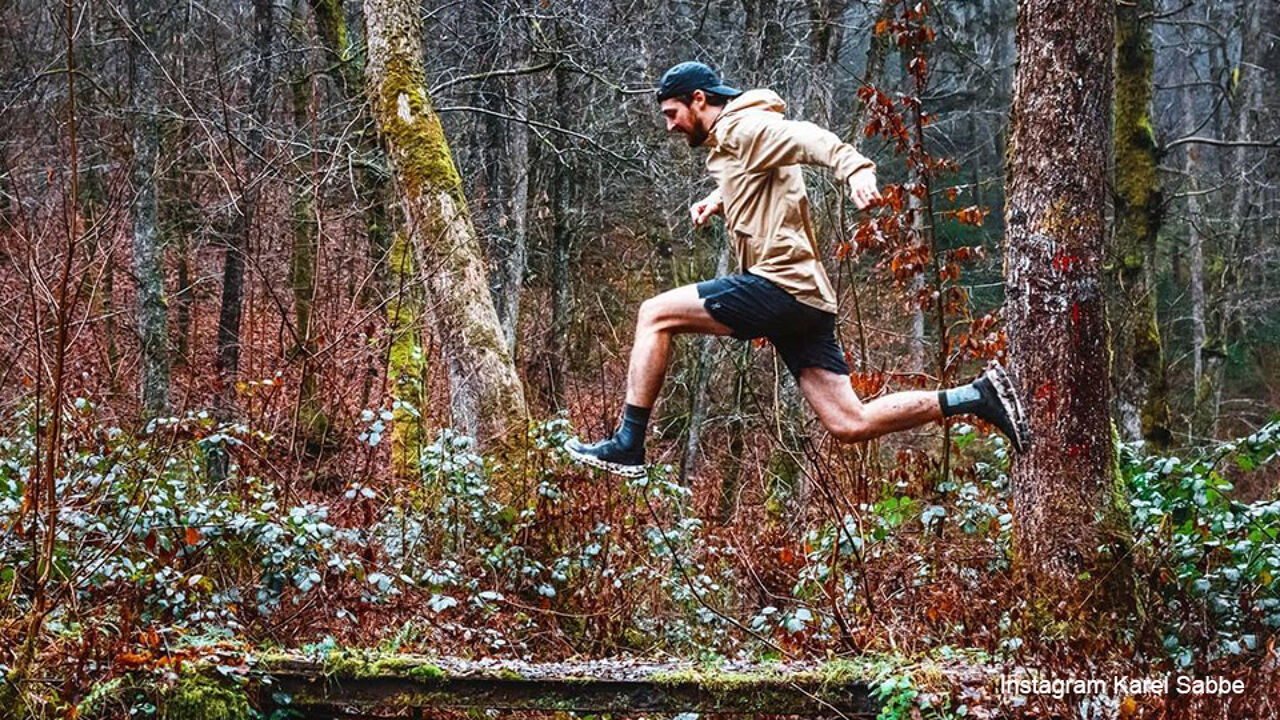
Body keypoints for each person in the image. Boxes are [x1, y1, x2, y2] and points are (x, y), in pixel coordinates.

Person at [565, 61, 1030, 478]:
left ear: (699, 101)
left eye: (672, 113)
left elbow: (810, 139)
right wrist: (718, 200)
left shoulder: (747, 128)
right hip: (809, 298)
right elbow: (758, 178)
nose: (670, 126)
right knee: (850, 422)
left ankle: (628, 444)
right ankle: (978, 397)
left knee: (654, 313)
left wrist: (856, 169)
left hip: (778, 285)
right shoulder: (733, 142)